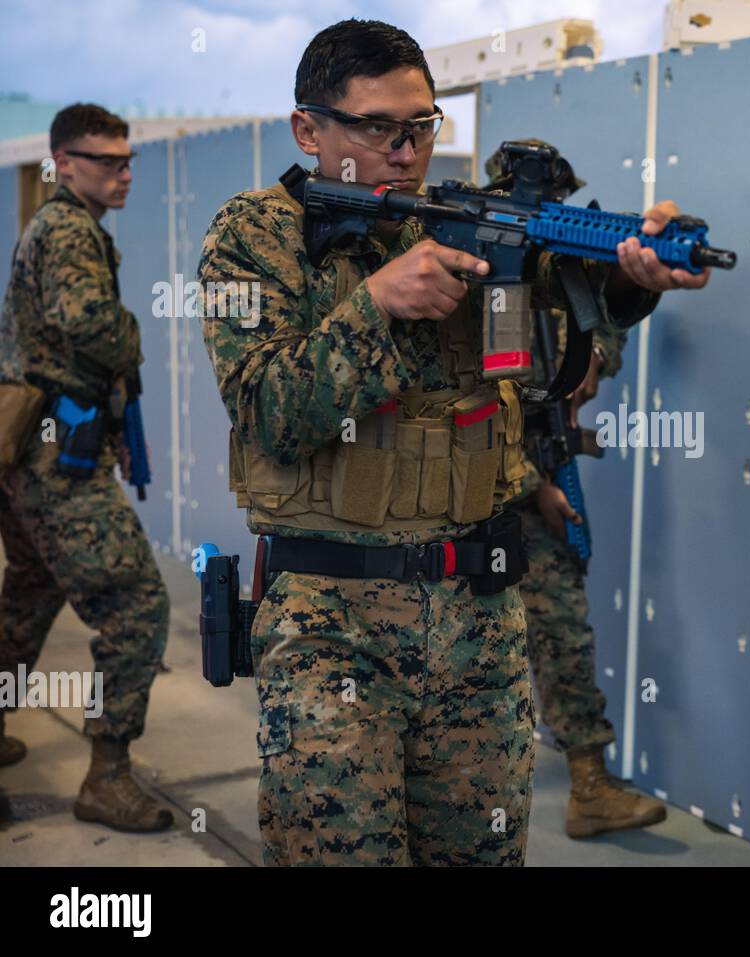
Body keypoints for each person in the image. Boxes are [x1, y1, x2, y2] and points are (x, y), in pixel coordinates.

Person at [198, 19, 709, 866]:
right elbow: (267, 410)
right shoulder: (255, 234)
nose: (406, 150)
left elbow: (566, 286)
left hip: (481, 622)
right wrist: (376, 306)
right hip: (334, 625)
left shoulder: (461, 217)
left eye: (422, 126)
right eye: (377, 128)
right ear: (307, 130)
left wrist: (631, 270)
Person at [483, 143, 669, 839]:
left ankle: (589, 782)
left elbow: (603, 346)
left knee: (560, 624)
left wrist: (588, 356)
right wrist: (535, 487)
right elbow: (461, 396)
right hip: (476, 477)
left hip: (541, 456)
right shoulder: (479, 268)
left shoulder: (565, 274)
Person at [0, 103, 172, 832]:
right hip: (54, 458)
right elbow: (89, 324)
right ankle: (106, 775)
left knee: (29, 593)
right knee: (136, 601)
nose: (125, 173)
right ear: (64, 163)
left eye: (127, 160)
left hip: (33, 449)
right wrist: (134, 336)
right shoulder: (68, 227)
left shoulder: (67, 224)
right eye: (108, 161)